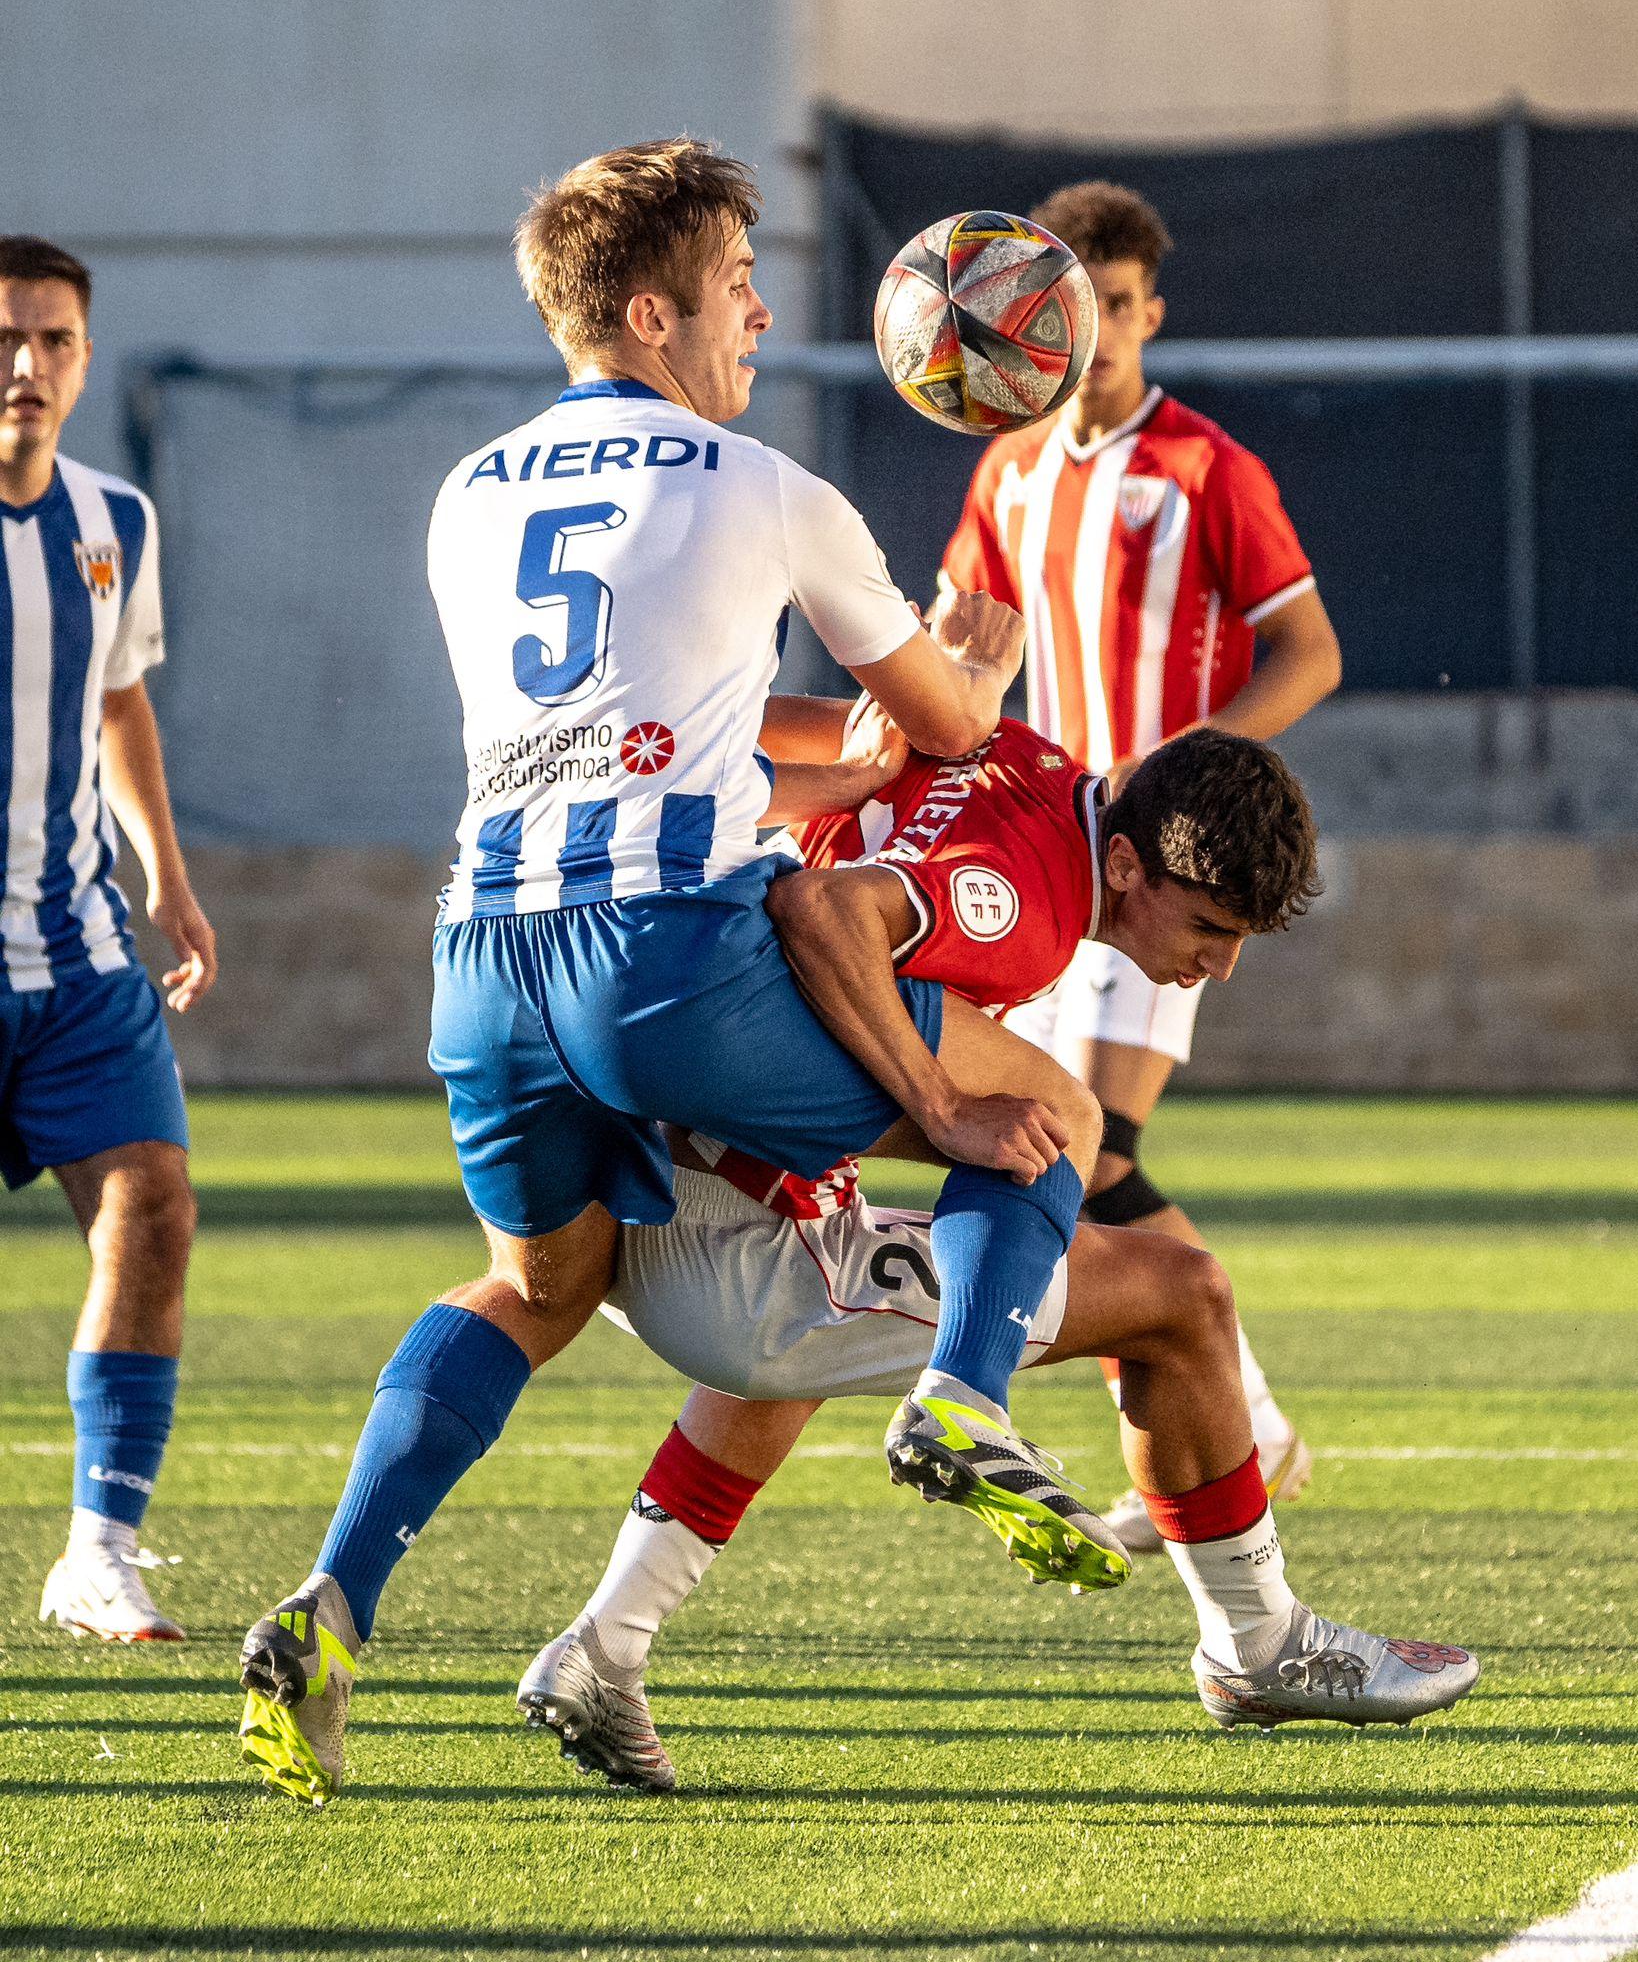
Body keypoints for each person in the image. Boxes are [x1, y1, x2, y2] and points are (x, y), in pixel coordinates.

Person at [237, 141, 1123, 1802]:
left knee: (533, 1287)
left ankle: (331, 1596)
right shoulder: (762, 484)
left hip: (484, 956)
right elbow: (942, 727)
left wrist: (833, 762)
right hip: (660, 961)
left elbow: (642, 731)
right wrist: (967, 673)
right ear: (651, 311)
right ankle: (958, 1396)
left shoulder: (470, 491)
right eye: (732, 286)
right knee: (1045, 1106)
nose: (758, 315)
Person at [940, 180, 1345, 1545]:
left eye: (1116, 306)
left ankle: (1237, 1415)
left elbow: (1312, 651)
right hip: (1045, 857)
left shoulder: (1204, 471)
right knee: (1061, 1148)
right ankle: (1238, 1416)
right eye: (1072, 306)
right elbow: (965, 643)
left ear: (1148, 312)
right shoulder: (1003, 470)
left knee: (1089, 1147)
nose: (1095, 331)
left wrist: (1192, 791)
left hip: (1150, 874)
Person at [0, 236, 217, 1643]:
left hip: (78, 964)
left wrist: (168, 882)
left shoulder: (114, 520)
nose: (28, 366)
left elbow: (121, 702)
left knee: (153, 1212)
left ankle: (97, 1550)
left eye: (55, 340)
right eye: (8, 337)